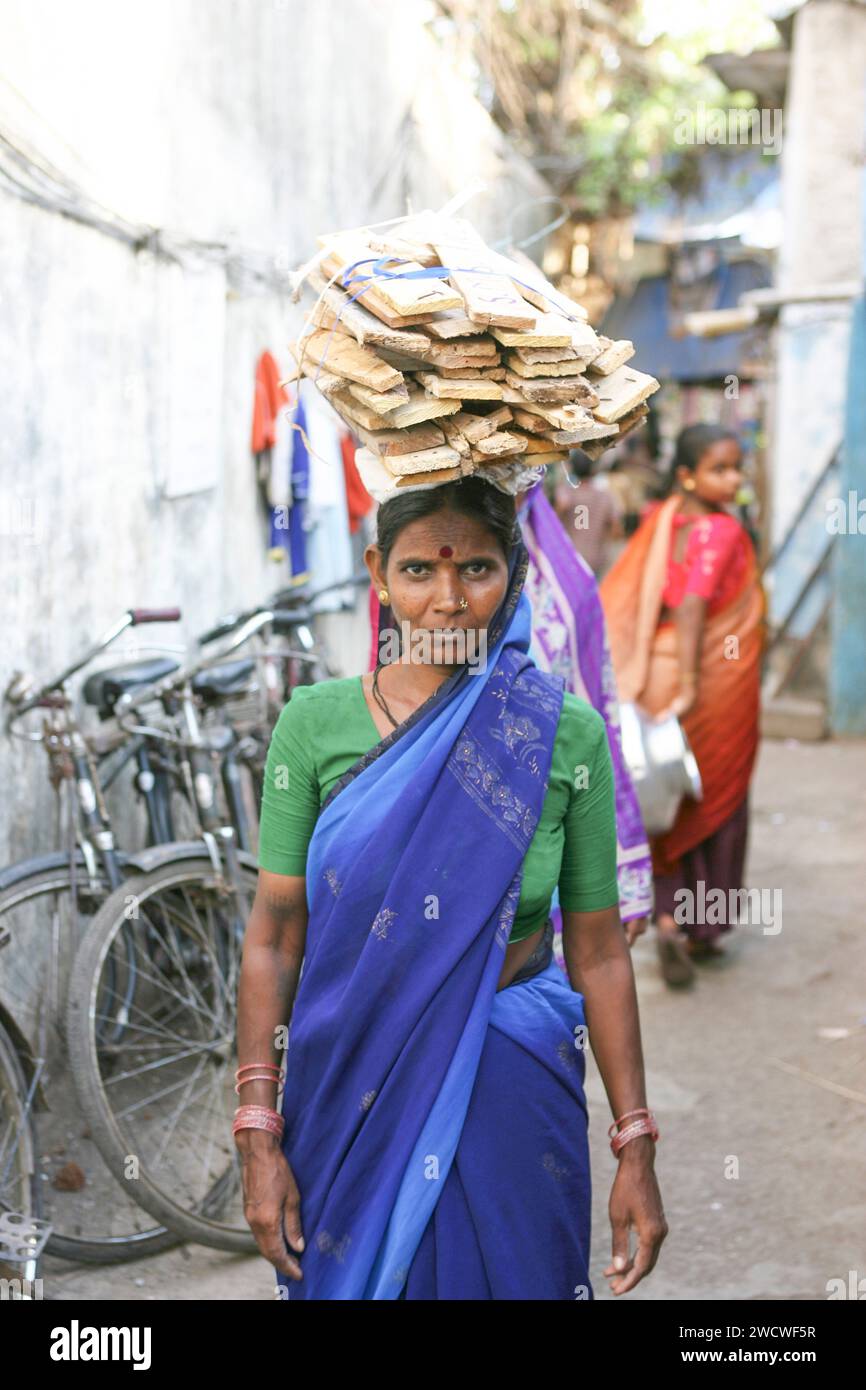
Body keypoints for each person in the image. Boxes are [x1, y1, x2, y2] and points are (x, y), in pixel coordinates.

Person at [234, 471, 666, 1300]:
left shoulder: (559, 733)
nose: (447, 600)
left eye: (475, 569)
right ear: (377, 574)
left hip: (512, 1074)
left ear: (515, 572)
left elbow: (601, 952)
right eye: (419, 571)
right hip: (351, 1080)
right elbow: (275, 933)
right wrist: (258, 1132)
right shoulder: (313, 726)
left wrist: (635, 1142)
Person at [600, 424, 766, 988]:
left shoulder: (663, 519)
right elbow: (694, 604)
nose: (734, 478)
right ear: (689, 474)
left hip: (655, 670)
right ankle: (702, 926)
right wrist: (693, 686)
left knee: (667, 797)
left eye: (737, 467)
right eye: (721, 469)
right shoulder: (718, 531)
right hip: (706, 680)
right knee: (716, 795)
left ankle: (668, 917)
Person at [551, 450, 623, 577]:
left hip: (568, 558)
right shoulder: (606, 496)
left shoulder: (565, 493)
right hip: (596, 560)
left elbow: (554, 521)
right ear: (595, 469)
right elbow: (616, 530)